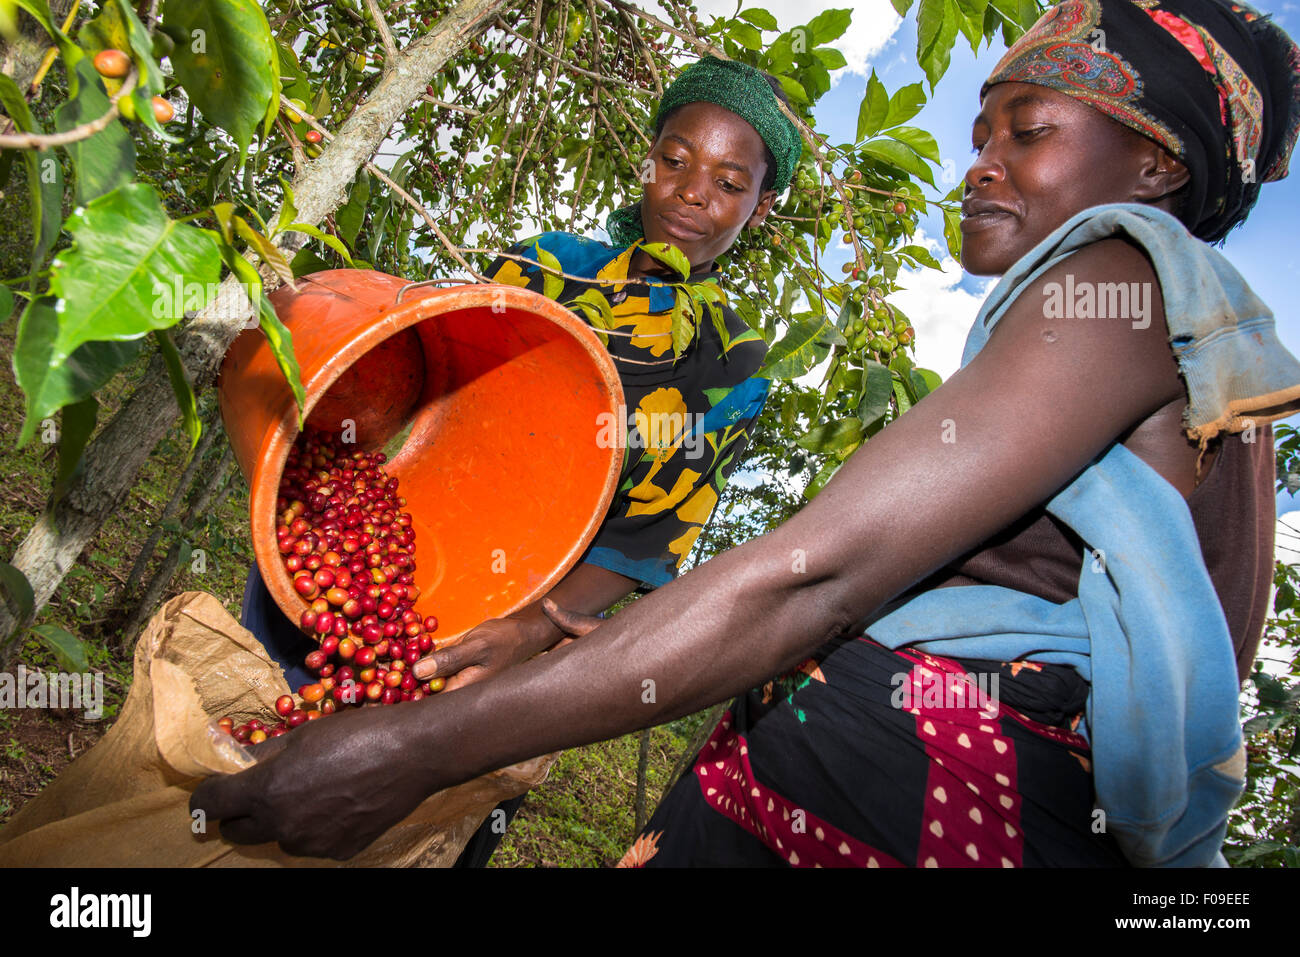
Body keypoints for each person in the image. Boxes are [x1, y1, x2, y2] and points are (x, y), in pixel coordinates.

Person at [194, 0, 1300, 867]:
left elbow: (814, 579)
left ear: (1159, 170)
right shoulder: (1155, 336)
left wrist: (414, 747)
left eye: (1029, 131)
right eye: (979, 134)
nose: (981, 163)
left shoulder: (1122, 276)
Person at [231, 56, 802, 864]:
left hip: (518, 624)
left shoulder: (731, 363)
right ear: (647, 160)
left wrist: (527, 628)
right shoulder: (546, 265)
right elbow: (422, 371)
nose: (691, 192)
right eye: (674, 160)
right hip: (400, 550)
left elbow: (647, 539)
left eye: (729, 180)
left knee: (423, 821)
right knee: (266, 768)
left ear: (760, 205)